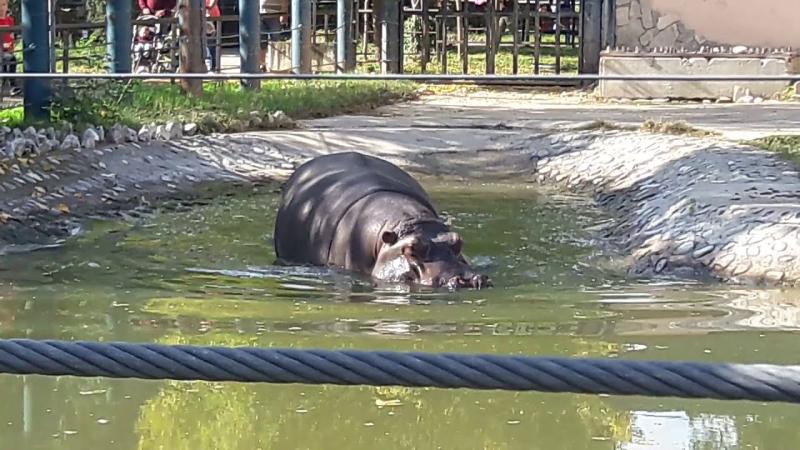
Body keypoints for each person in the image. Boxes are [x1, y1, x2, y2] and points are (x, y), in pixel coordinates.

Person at [259, 0, 289, 72]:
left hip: (275, 13)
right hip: (260, 13)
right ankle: (262, 64)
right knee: (261, 41)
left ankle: (274, 64)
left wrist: (284, 14)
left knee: (275, 41)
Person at [0, 0, 19, 96]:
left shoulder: (10, 20)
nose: (2, 8)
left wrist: (11, 44)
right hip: (1, 49)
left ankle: (10, 87)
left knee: (9, 60)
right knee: (9, 59)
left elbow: (11, 35)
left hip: (8, 49)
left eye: (4, 5)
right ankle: (12, 86)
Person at [205, 0, 221, 72]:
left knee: (211, 45)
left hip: (211, 17)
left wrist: (208, 7)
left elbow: (212, 2)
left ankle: (213, 67)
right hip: (200, 17)